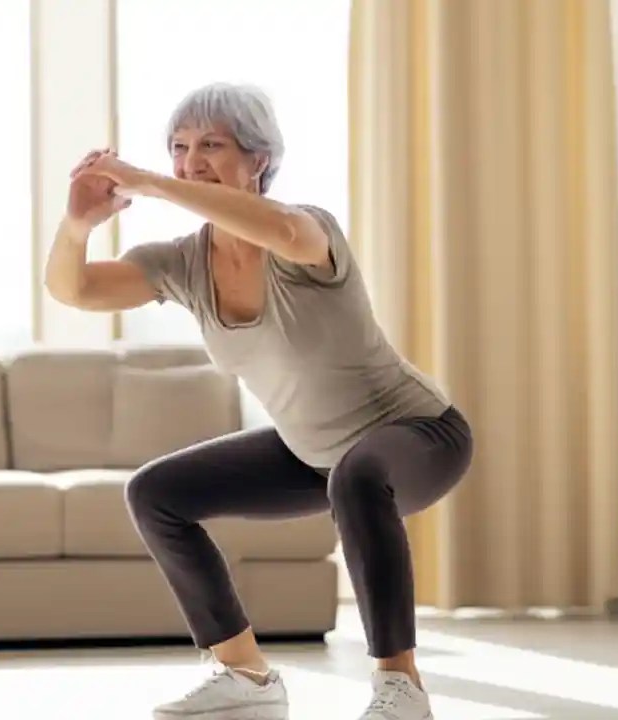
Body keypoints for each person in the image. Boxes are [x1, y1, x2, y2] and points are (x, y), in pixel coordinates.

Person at [45, 82, 474, 720]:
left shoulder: (302, 232)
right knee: (156, 493)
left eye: (212, 145)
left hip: (416, 433)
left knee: (357, 474)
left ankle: (400, 688)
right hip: (312, 454)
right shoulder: (183, 265)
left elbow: (273, 228)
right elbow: (73, 290)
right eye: (179, 147)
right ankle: (245, 674)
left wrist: (154, 184)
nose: (191, 160)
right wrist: (78, 222)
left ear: (259, 161)